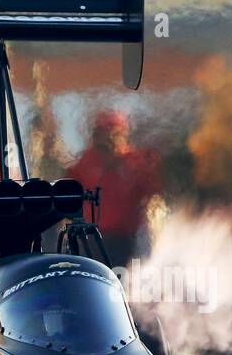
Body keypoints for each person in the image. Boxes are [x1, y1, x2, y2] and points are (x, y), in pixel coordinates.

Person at [66, 110, 162, 266]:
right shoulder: (86, 161)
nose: (106, 139)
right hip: (92, 236)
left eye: (113, 133)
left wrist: (149, 233)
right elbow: (70, 193)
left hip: (124, 238)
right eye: (101, 133)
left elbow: (153, 198)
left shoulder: (135, 162)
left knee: (119, 274)